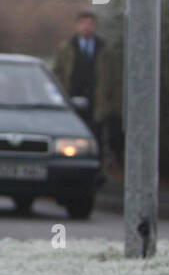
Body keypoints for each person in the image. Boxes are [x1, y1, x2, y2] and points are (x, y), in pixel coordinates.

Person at [52, 11, 123, 168]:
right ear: (77, 26)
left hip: (96, 103)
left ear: (95, 26)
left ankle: (95, 168)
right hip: (72, 101)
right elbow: (57, 75)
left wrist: (112, 105)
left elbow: (114, 79)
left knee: (95, 136)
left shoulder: (104, 50)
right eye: (83, 23)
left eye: (90, 24)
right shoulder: (66, 49)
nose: (86, 27)